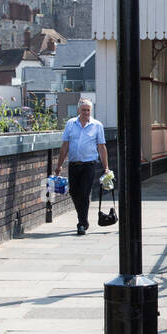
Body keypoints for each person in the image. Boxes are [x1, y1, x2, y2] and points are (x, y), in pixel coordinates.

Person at [57, 99, 109, 236]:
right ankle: (83, 219)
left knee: (84, 193)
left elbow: (102, 147)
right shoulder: (70, 124)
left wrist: (106, 167)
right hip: (74, 164)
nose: (86, 112)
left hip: (89, 165)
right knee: (74, 192)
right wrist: (59, 165)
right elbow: (65, 146)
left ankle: (82, 223)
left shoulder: (97, 125)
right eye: (84, 110)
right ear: (79, 110)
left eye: (88, 110)